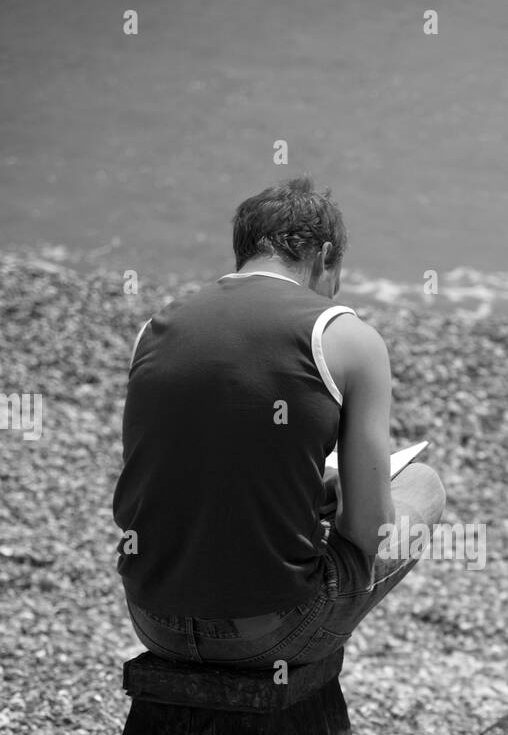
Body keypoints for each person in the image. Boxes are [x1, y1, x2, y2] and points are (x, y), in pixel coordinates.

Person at [112, 175, 445, 668]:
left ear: (243, 252)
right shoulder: (347, 335)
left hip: (153, 621)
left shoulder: (155, 328)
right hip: (273, 634)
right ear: (325, 255)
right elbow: (371, 532)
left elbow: (174, 474)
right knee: (422, 482)